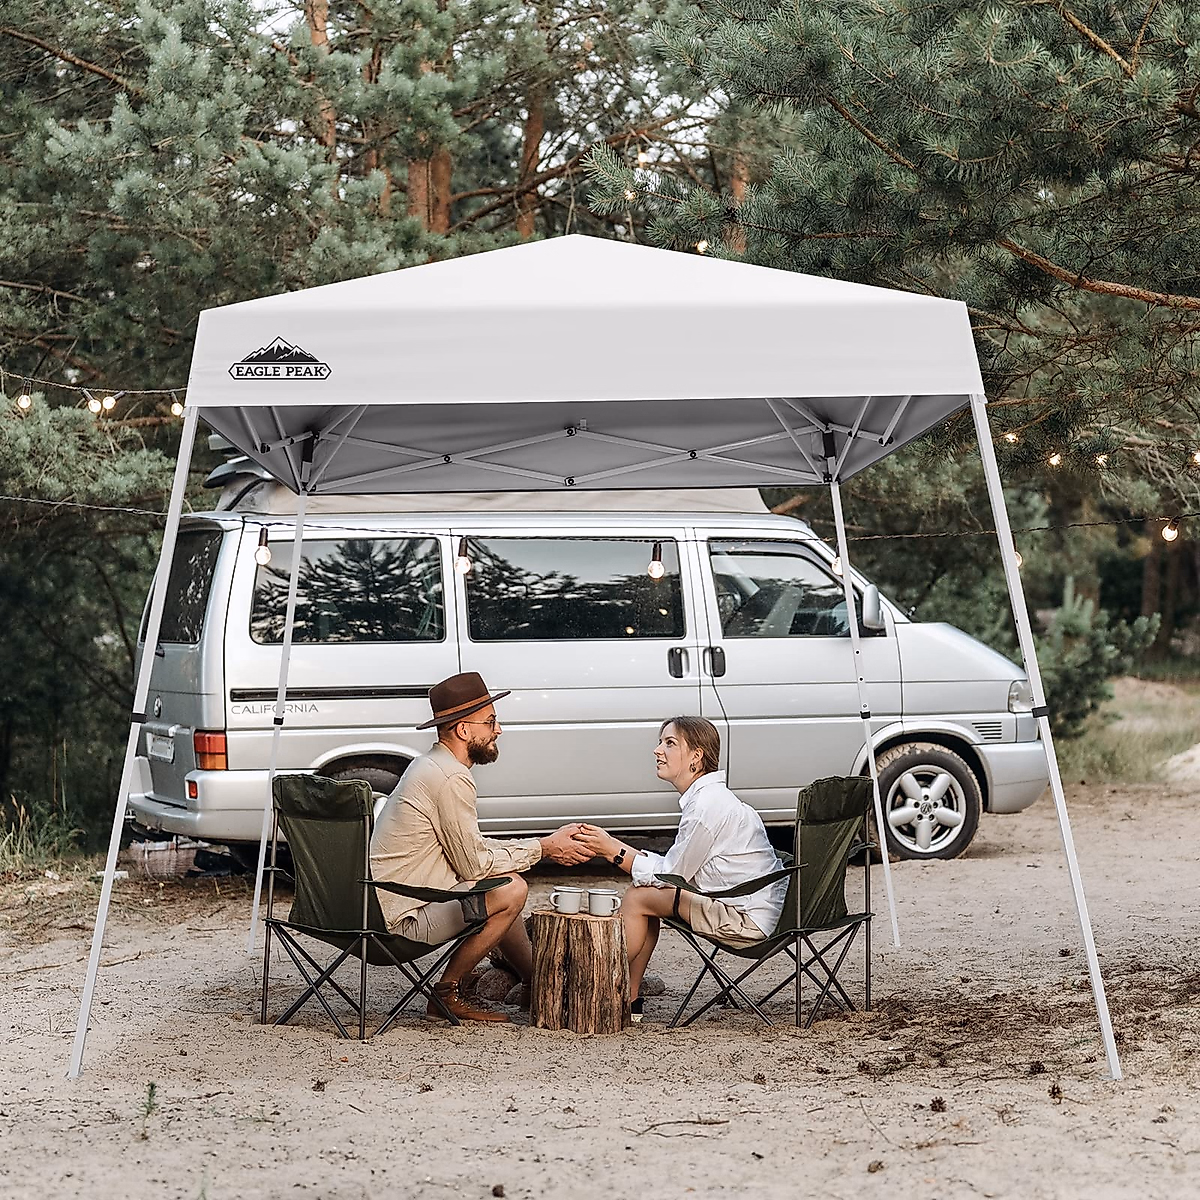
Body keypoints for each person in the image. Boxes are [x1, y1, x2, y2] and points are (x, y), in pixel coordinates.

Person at [370, 671, 592, 1023]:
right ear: (463, 730)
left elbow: (471, 851)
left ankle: (536, 981)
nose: (498, 730)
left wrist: (539, 846)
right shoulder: (450, 776)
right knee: (510, 889)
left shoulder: (431, 765)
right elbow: (474, 865)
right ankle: (446, 993)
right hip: (402, 921)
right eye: (489, 722)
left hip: (387, 907)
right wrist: (545, 848)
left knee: (500, 882)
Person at [573, 716, 786, 1020]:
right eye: (660, 742)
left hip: (745, 920)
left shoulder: (706, 808)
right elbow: (674, 870)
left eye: (670, 743)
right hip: (752, 905)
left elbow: (672, 876)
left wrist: (613, 850)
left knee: (638, 897)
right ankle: (627, 999)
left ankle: (601, 985)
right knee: (646, 899)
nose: (657, 750)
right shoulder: (713, 799)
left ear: (696, 757)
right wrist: (616, 850)